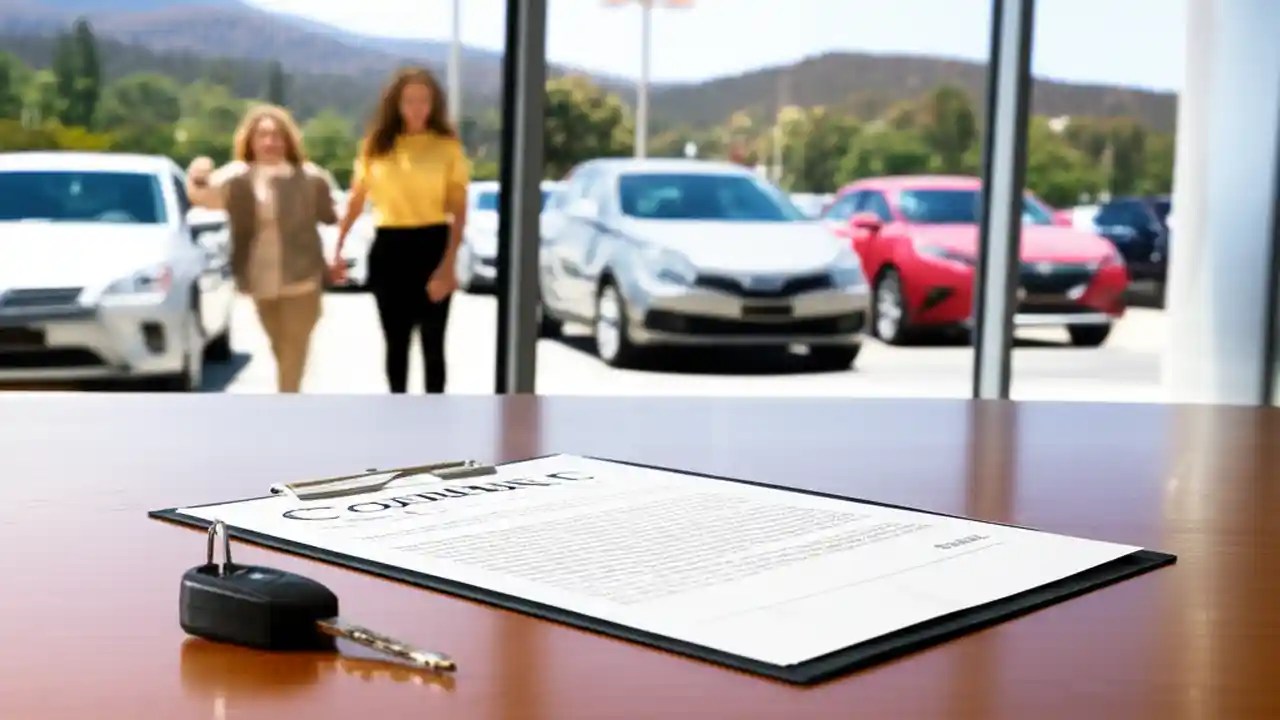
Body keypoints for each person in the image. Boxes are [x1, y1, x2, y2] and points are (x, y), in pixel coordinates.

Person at [331, 66, 470, 394]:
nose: (417, 107)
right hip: (389, 249)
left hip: (432, 243)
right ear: (395, 103)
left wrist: (448, 266)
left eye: (424, 99)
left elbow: (460, 210)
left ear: (434, 103)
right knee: (396, 346)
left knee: (433, 346)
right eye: (409, 100)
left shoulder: (447, 147)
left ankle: (436, 426)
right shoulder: (375, 147)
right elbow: (355, 201)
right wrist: (337, 247)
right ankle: (400, 424)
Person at [186, 104, 337, 393]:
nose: (270, 142)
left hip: (302, 278)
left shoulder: (309, 177)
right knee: (280, 347)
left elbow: (330, 217)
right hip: (260, 279)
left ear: (288, 140)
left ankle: (287, 408)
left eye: (277, 135)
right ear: (250, 140)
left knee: (293, 350)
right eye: (263, 136)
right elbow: (201, 197)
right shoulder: (236, 177)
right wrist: (198, 170)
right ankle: (291, 398)